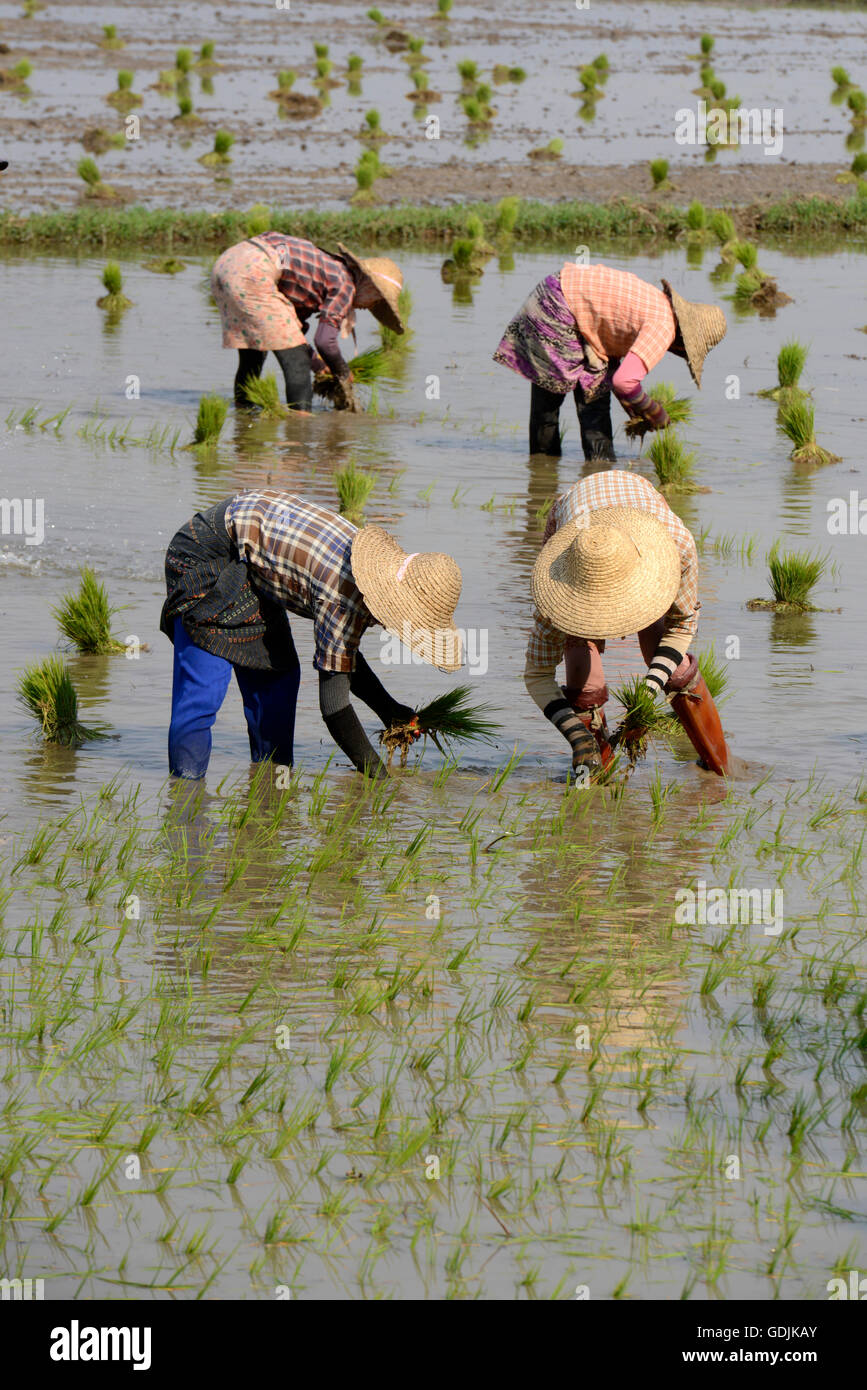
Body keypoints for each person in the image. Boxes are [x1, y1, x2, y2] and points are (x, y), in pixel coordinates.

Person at [160, 489, 463, 780]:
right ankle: (185, 798)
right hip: (209, 552)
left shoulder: (368, 576)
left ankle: (271, 787)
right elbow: (334, 708)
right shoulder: (344, 593)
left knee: (278, 682)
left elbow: (343, 657)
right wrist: (380, 780)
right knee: (204, 690)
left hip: (253, 564)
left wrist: (391, 711)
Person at [524, 470, 703, 776]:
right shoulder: (552, 589)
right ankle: (595, 767)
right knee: (579, 652)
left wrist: (647, 691)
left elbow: (681, 626)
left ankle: (716, 761)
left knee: (658, 643)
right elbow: (537, 675)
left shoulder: (677, 546)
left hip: (639, 516)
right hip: (575, 514)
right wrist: (576, 736)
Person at [494, 261, 726, 460]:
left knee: (590, 398)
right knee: (552, 399)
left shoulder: (659, 303)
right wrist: (655, 412)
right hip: (558, 305)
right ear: (684, 341)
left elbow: (614, 360)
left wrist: (633, 407)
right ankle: (547, 476)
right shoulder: (663, 328)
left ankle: (576, 472)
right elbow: (624, 382)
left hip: (566, 298)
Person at [210, 235, 405, 413]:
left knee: (254, 351)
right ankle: (299, 431)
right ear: (370, 286)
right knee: (297, 362)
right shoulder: (346, 284)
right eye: (376, 301)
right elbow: (324, 342)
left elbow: (293, 336)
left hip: (229, 263)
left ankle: (243, 414)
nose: (368, 307)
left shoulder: (327, 268)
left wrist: (318, 365)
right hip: (255, 270)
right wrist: (343, 373)